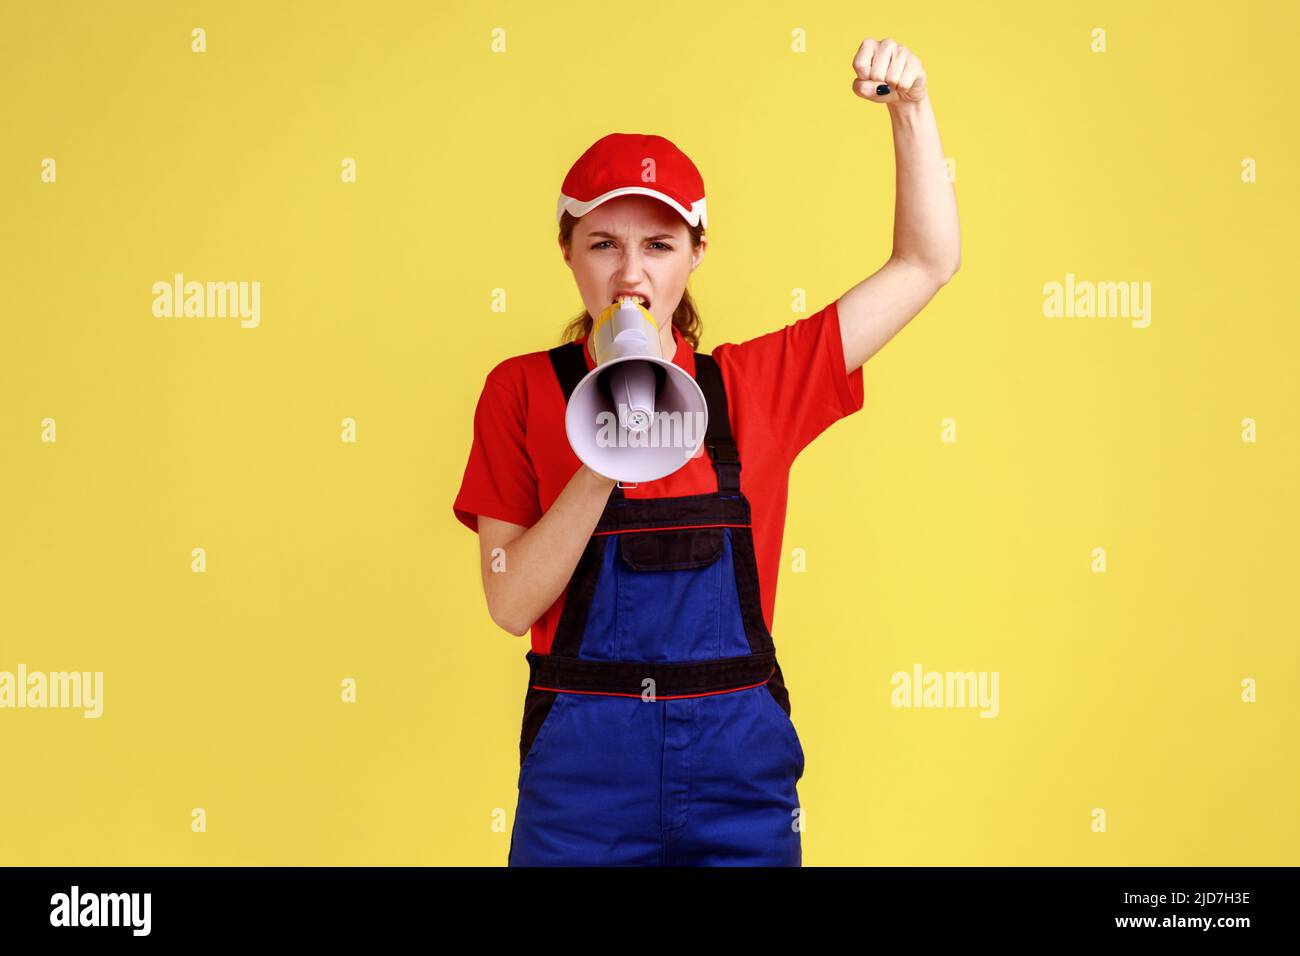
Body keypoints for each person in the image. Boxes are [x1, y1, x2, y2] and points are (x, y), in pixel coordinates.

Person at [453, 38, 960, 866]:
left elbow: (927, 262)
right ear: (568, 253)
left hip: (739, 784)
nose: (630, 274)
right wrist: (603, 458)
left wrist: (912, 108)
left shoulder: (756, 385)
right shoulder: (520, 392)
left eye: (657, 245)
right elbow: (511, 606)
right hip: (581, 793)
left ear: (696, 255)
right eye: (603, 243)